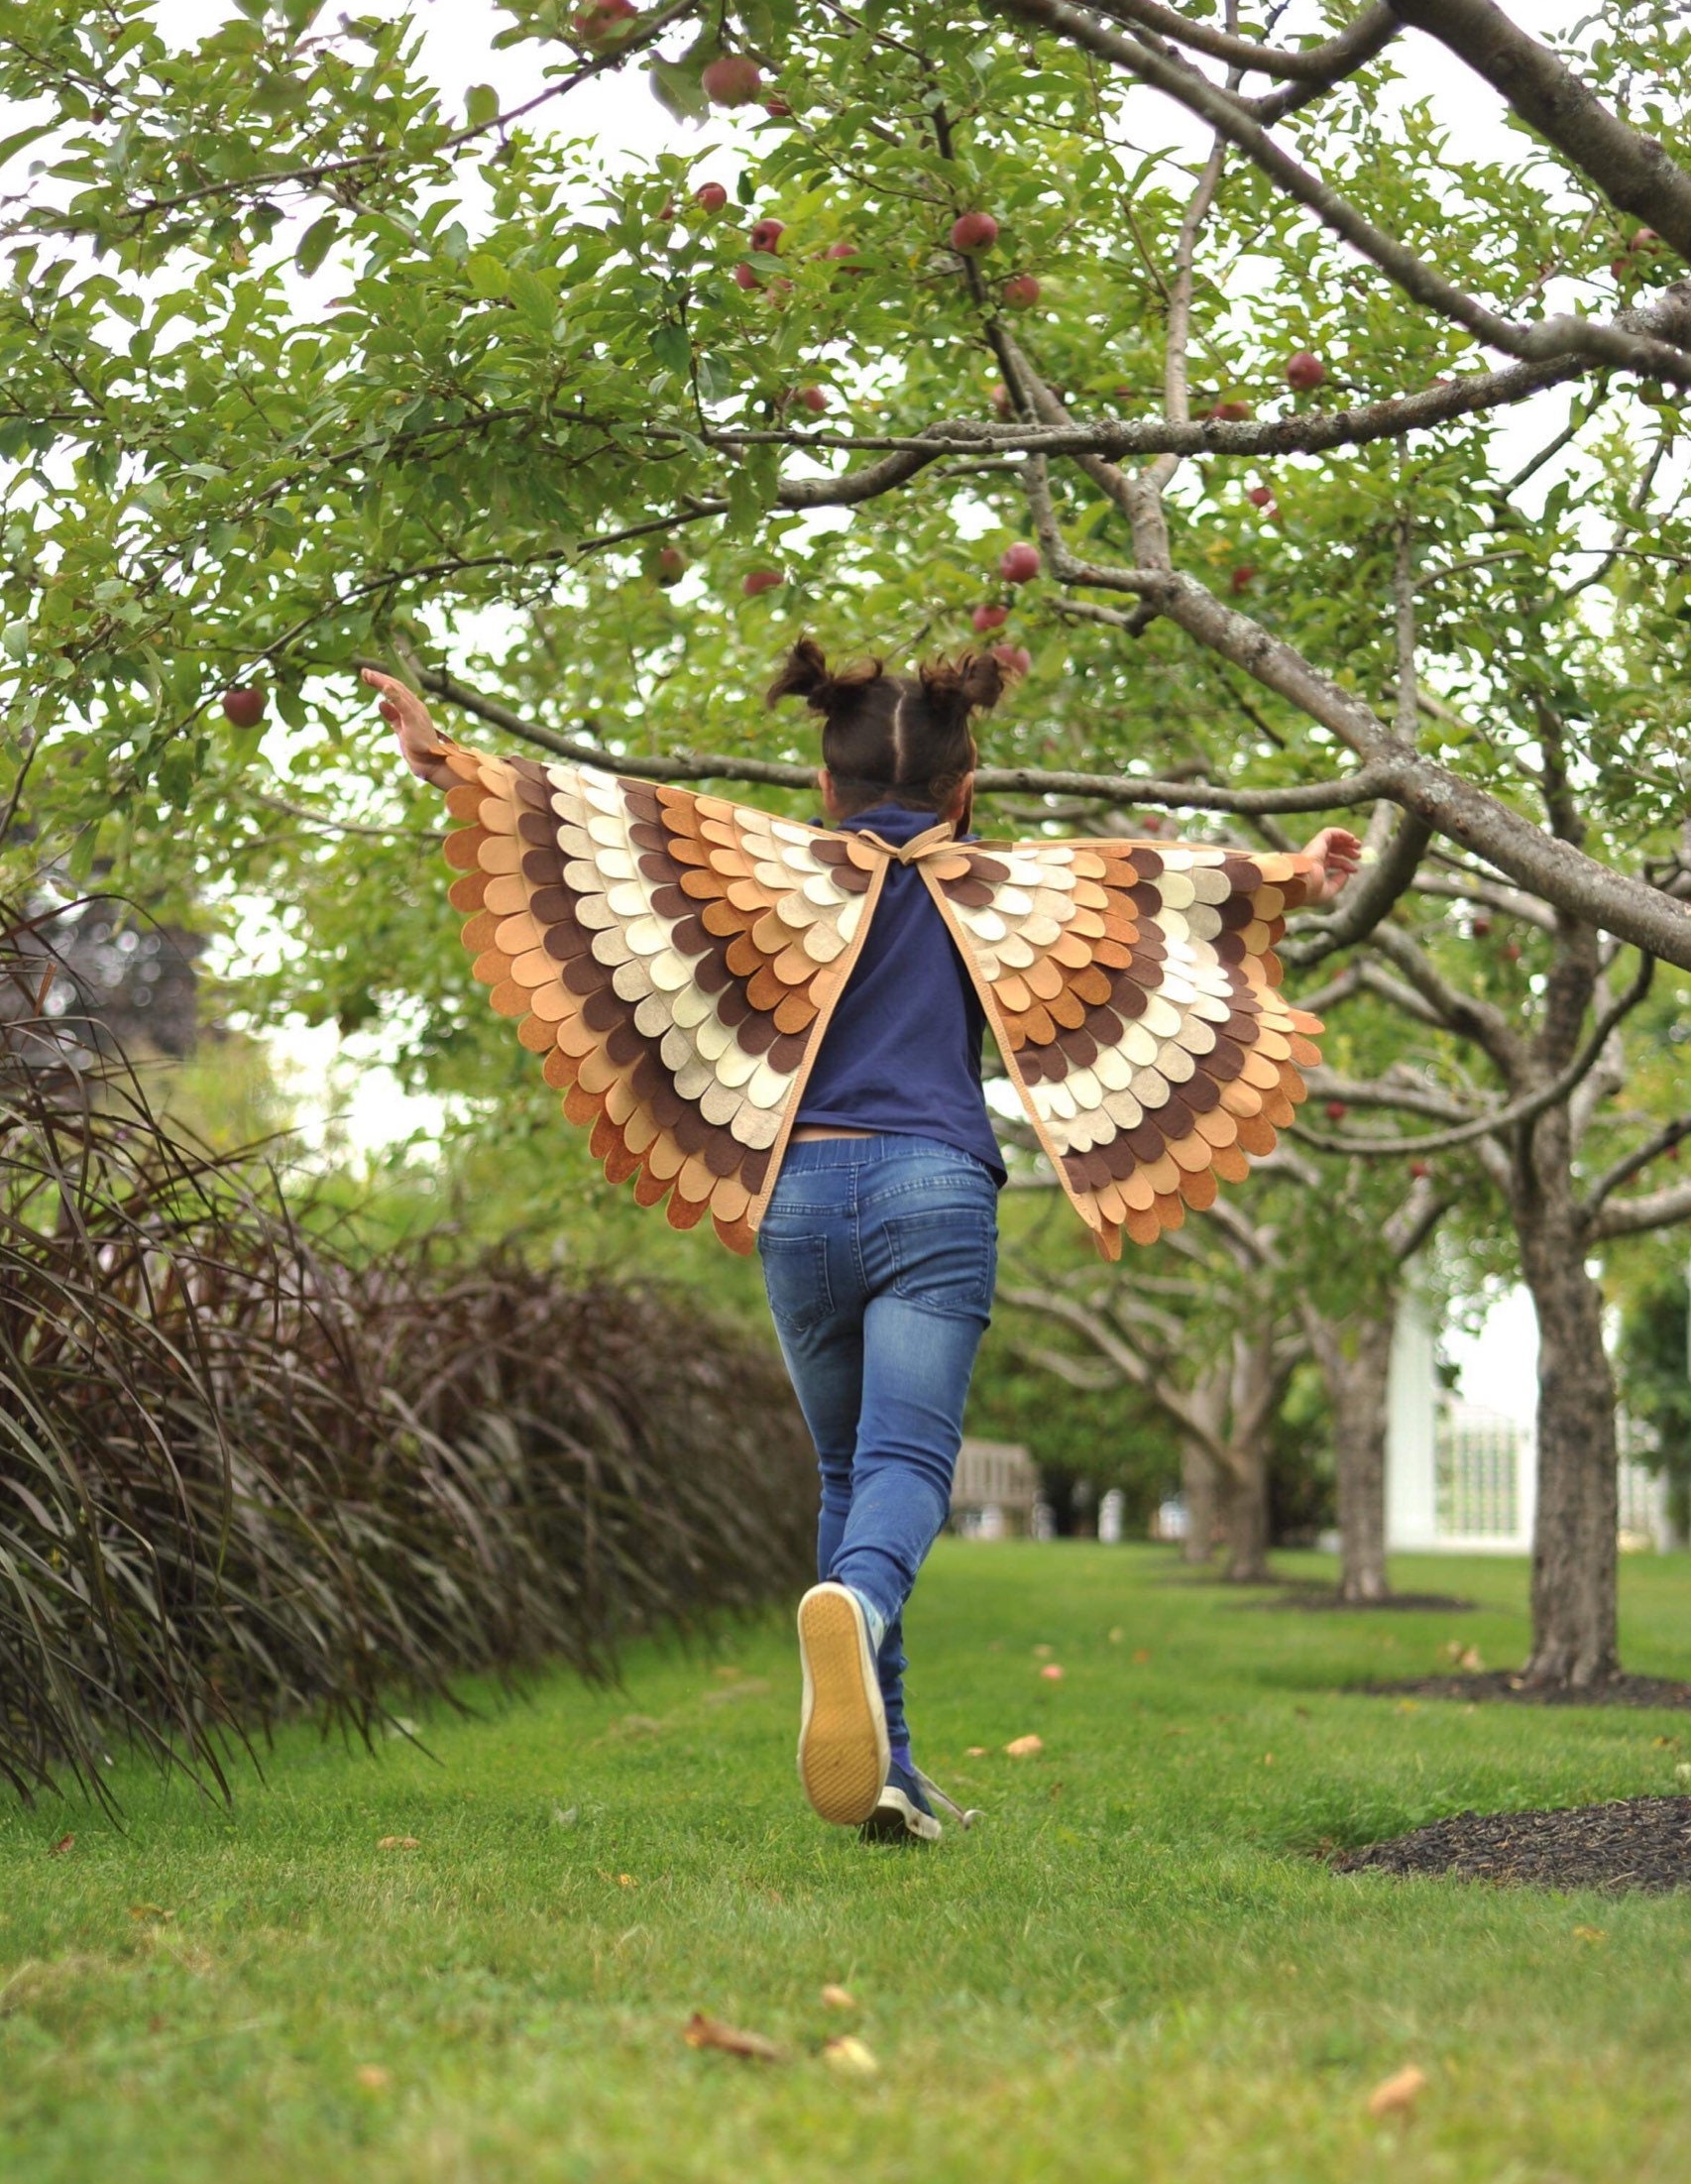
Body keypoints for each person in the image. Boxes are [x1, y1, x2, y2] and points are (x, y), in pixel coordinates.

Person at [363, 648, 1359, 1848]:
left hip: (797, 1196)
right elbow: (1156, 889)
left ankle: (886, 1771)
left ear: (823, 787)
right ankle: (860, 1602)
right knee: (907, 1470)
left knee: (847, 1477)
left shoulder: (760, 870)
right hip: (933, 1192)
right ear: (965, 786)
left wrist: (455, 767)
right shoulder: (1018, 885)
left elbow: (598, 824)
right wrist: (1299, 877)